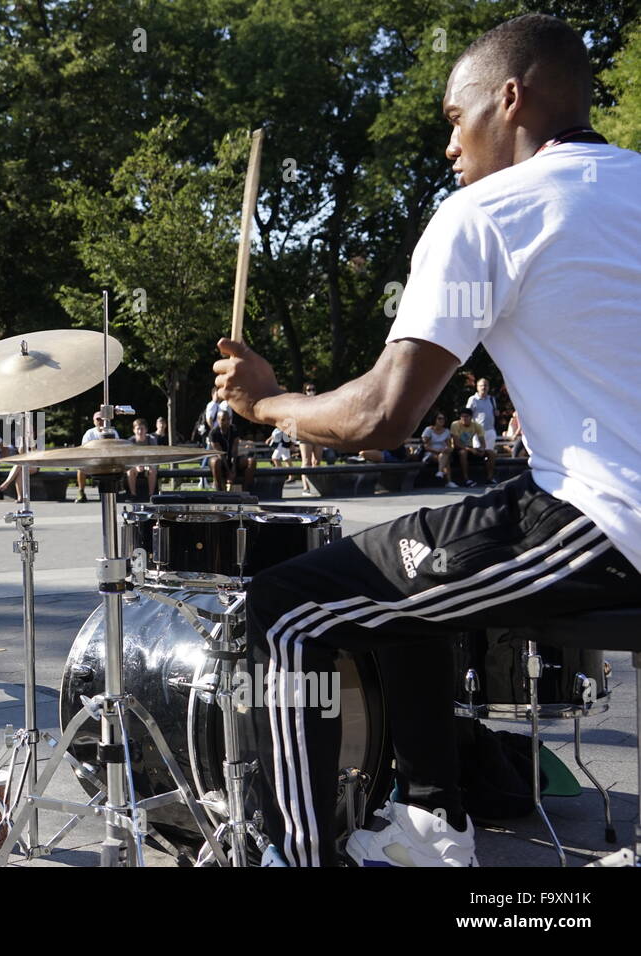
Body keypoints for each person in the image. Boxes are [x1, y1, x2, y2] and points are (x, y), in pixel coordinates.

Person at [213, 14, 641, 867]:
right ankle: (432, 821)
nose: (449, 145)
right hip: (591, 501)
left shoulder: (490, 210)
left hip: (608, 519)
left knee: (286, 610)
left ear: (510, 98)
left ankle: (291, 857)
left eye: (455, 117)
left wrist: (267, 404)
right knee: (397, 578)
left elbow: (382, 417)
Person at [209, 404, 255, 493]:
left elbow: (234, 450)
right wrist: (229, 472)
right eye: (223, 420)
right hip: (219, 460)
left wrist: (233, 469)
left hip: (231, 459)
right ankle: (220, 492)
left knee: (251, 461)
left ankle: (245, 491)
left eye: (228, 419)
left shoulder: (233, 429)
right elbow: (220, 454)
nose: (226, 422)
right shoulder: (213, 433)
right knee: (216, 462)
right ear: (218, 420)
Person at [450, 407, 496, 486]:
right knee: (463, 453)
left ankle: (490, 478)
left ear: (471, 417)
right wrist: (471, 450)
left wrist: (481, 449)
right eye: (462, 416)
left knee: (491, 453)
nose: (464, 418)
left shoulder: (476, 425)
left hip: (470, 449)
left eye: (466, 416)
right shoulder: (455, 425)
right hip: (458, 450)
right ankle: (466, 479)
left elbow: (483, 442)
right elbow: (456, 444)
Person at [75, 411, 113, 502]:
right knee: (80, 468)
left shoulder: (112, 432)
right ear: (94, 421)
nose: (100, 422)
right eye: (98, 419)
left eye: (102, 419)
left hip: (108, 461)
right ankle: (81, 491)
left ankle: (114, 491)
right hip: (92, 462)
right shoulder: (89, 433)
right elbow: (84, 449)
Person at [296, 383, 324, 497]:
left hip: (317, 435)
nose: (311, 391)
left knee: (316, 461)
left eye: (313, 389)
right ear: (305, 391)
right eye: (308, 390)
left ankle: (315, 486)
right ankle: (306, 488)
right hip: (305, 435)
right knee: (306, 461)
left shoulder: (319, 403)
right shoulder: (301, 404)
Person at [125, 417, 159, 500]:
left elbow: (154, 455)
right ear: (134, 430)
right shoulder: (130, 441)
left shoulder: (151, 439)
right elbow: (129, 457)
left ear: (146, 430)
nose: (140, 431)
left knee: (152, 470)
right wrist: (137, 465)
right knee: (130, 471)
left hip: (149, 463)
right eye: (138, 429)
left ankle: (151, 495)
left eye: (142, 429)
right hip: (135, 464)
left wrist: (145, 465)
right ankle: (133, 494)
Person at [466, 377, 500, 452]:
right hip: (477, 431)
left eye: (486, 385)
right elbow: (467, 414)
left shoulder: (491, 399)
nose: (483, 387)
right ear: (477, 387)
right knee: (478, 453)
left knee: (489, 453)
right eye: (481, 385)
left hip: (490, 430)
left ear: (488, 387)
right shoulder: (473, 399)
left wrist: (496, 413)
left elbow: (495, 412)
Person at [420, 411, 455, 484]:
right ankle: (448, 481)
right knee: (445, 459)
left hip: (442, 453)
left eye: (443, 419)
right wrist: (438, 450)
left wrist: (447, 449)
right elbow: (426, 446)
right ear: (435, 420)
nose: (442, 420)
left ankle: (440, 472)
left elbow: (449, 446)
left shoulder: (447, 431)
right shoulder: (429, 430)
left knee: (444, 456)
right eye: (439, 418)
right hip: (430, 453)